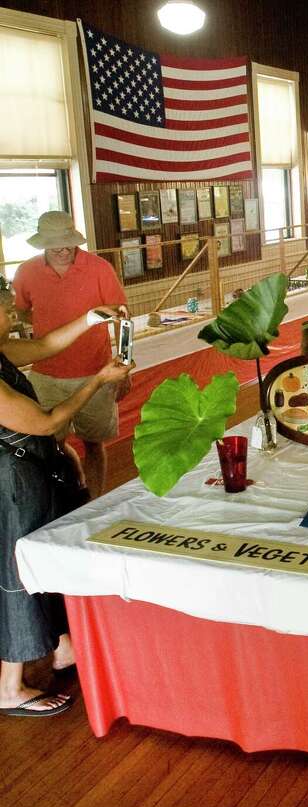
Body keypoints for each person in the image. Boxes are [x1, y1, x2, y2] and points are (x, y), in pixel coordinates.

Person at [0, 288, 131, 717]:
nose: (13, 314)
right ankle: (10, 687)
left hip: (29, 470)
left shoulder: (1, 349)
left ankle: (61, 647)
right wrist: (98, 380)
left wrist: (92, 316)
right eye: (4, 310)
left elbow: (45, 345)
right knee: (19, 572)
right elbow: (47, 421)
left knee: (44, 554)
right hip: (11, 483)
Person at [13, 211, 130, 495]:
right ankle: (75, 489)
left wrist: (125, 367)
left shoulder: (99, 268)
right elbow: (19, 311)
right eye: (56, 246)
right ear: (43, 245)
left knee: (94, 443)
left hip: (96, 370)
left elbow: (123, 317)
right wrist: (44, 322)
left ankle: (96, 501)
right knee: (50, 443)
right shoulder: (26, 272)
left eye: (69, 244)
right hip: (47, 375)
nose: (65, 251)